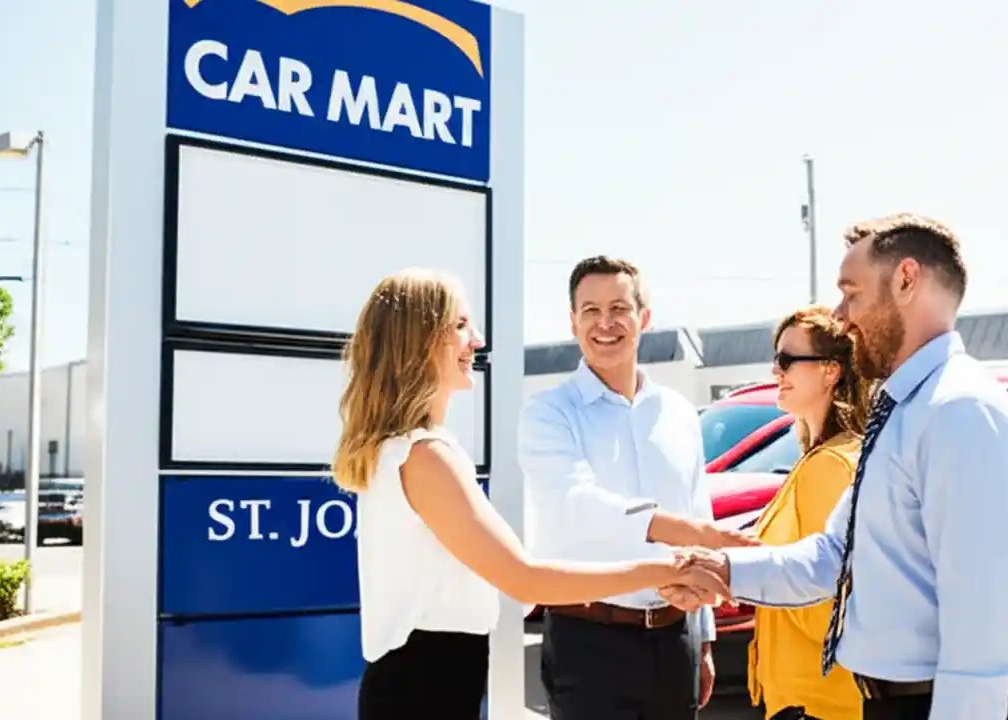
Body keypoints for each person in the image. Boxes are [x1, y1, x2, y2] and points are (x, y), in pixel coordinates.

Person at [660, 214, 1008, 720]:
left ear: (906, 279)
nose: (841, 315)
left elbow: (984, 636)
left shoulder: (961, 411)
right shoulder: (907, 408)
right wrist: (723, 569)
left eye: (851, 293)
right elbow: (833, 556)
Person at [330, 268, 726, 720]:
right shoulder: (426, 457)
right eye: (460, 326)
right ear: (419, 339)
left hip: (420, 685)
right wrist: (668, 566)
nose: (476, 339)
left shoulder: (403, 450)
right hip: (425, 689)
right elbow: (524, 580)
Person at [518, 255, 758, 720]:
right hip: (588, 641)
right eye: (590, 310)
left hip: (675, 641)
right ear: (572, 322)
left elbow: (698, 510)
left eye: (619, 309)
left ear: (643, 318)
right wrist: (686, 531)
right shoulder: (549, 414)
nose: (605, 324)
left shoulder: (678, 413)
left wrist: (703, 638)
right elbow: (575, 502)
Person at [747, 305, 872, 720]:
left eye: (787, 360)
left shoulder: (831, 465)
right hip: (808, 696)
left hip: (817, 703)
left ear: (831, 371)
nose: (775, 371)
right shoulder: (821, 455)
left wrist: (740, 575)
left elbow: (828, 597)